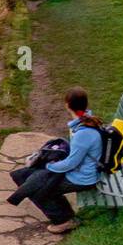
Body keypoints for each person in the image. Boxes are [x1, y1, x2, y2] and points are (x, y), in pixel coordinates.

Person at [16, 87, 109, 234]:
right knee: (30, 177)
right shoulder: (87, 120)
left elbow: (71, 163)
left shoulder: (84, 132)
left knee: (37, 188)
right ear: (85, 104)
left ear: (67, 105)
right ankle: (65, 215)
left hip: (83, 178)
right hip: (84, 171)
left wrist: (48, 166)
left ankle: (64, 221)